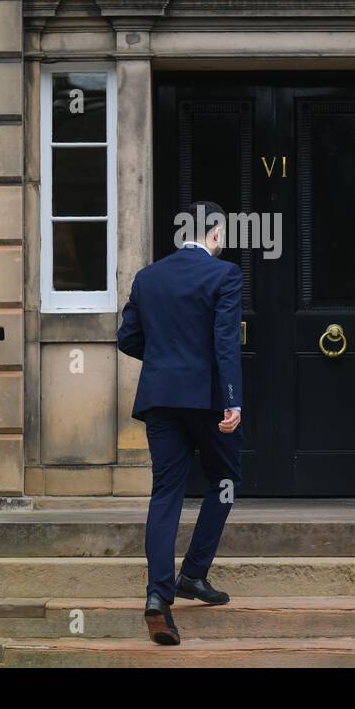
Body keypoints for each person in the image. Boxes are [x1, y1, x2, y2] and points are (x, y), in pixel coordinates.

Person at [117, 200, 244, 646]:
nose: (223, 242)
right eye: (223, 234)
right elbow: (225, 341)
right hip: (207, 400)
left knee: (165, 491)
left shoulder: (147, 277)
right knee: (225, 478)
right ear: (212, 233)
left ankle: (158, 596)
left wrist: (164, 364)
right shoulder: (224, 275)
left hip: (160, 399)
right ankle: (192, 573)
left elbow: (127, 338)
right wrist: (233, 400)